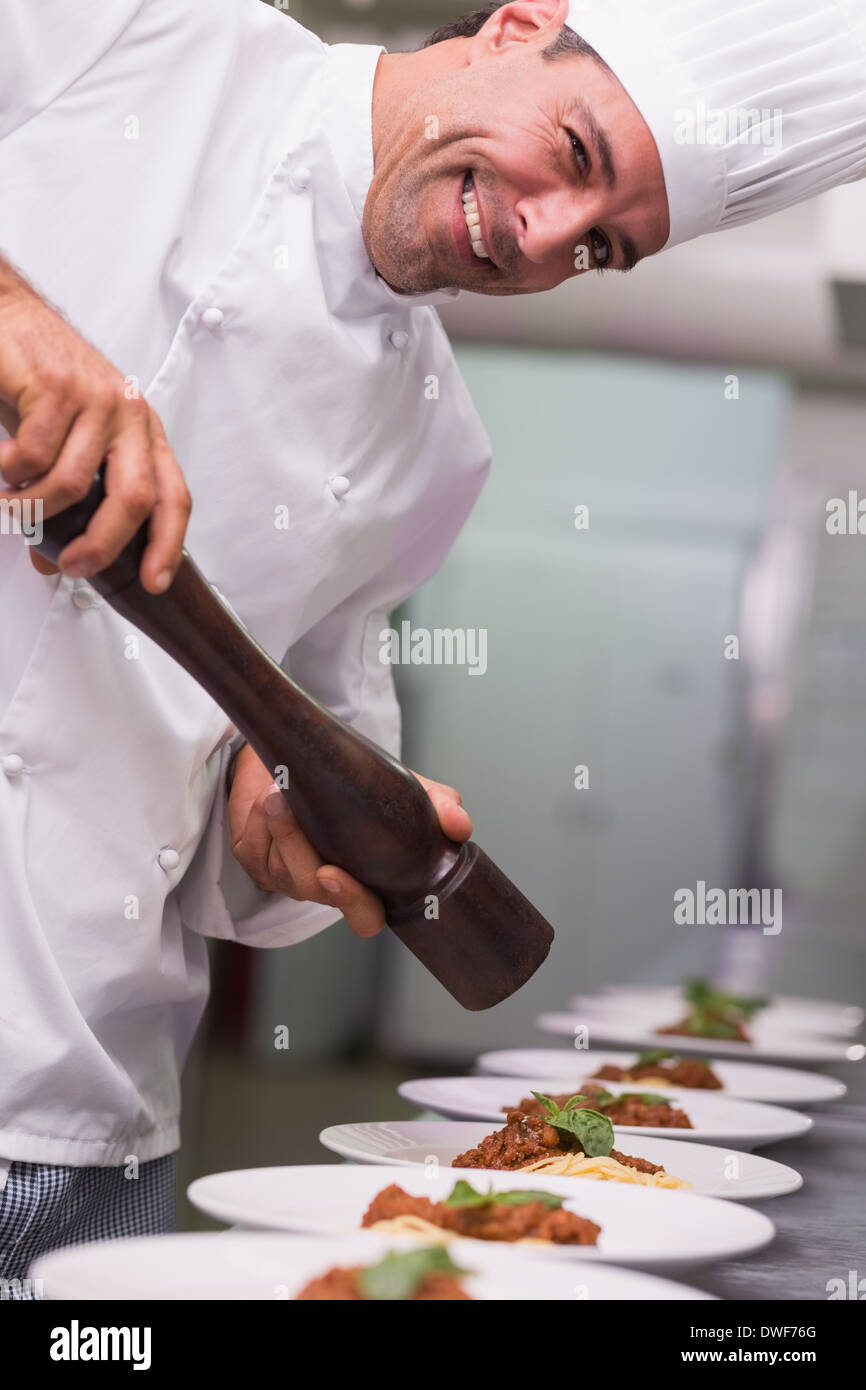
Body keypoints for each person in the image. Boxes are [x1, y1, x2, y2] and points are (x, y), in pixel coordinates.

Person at [0, 0, 864, 1295]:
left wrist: (262, 814)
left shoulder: (429, 453)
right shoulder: (141, 30)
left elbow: (280, 817)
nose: (543, 235)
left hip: (89, 1143)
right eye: (576, 156)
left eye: (602, 249)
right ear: (516, 27)